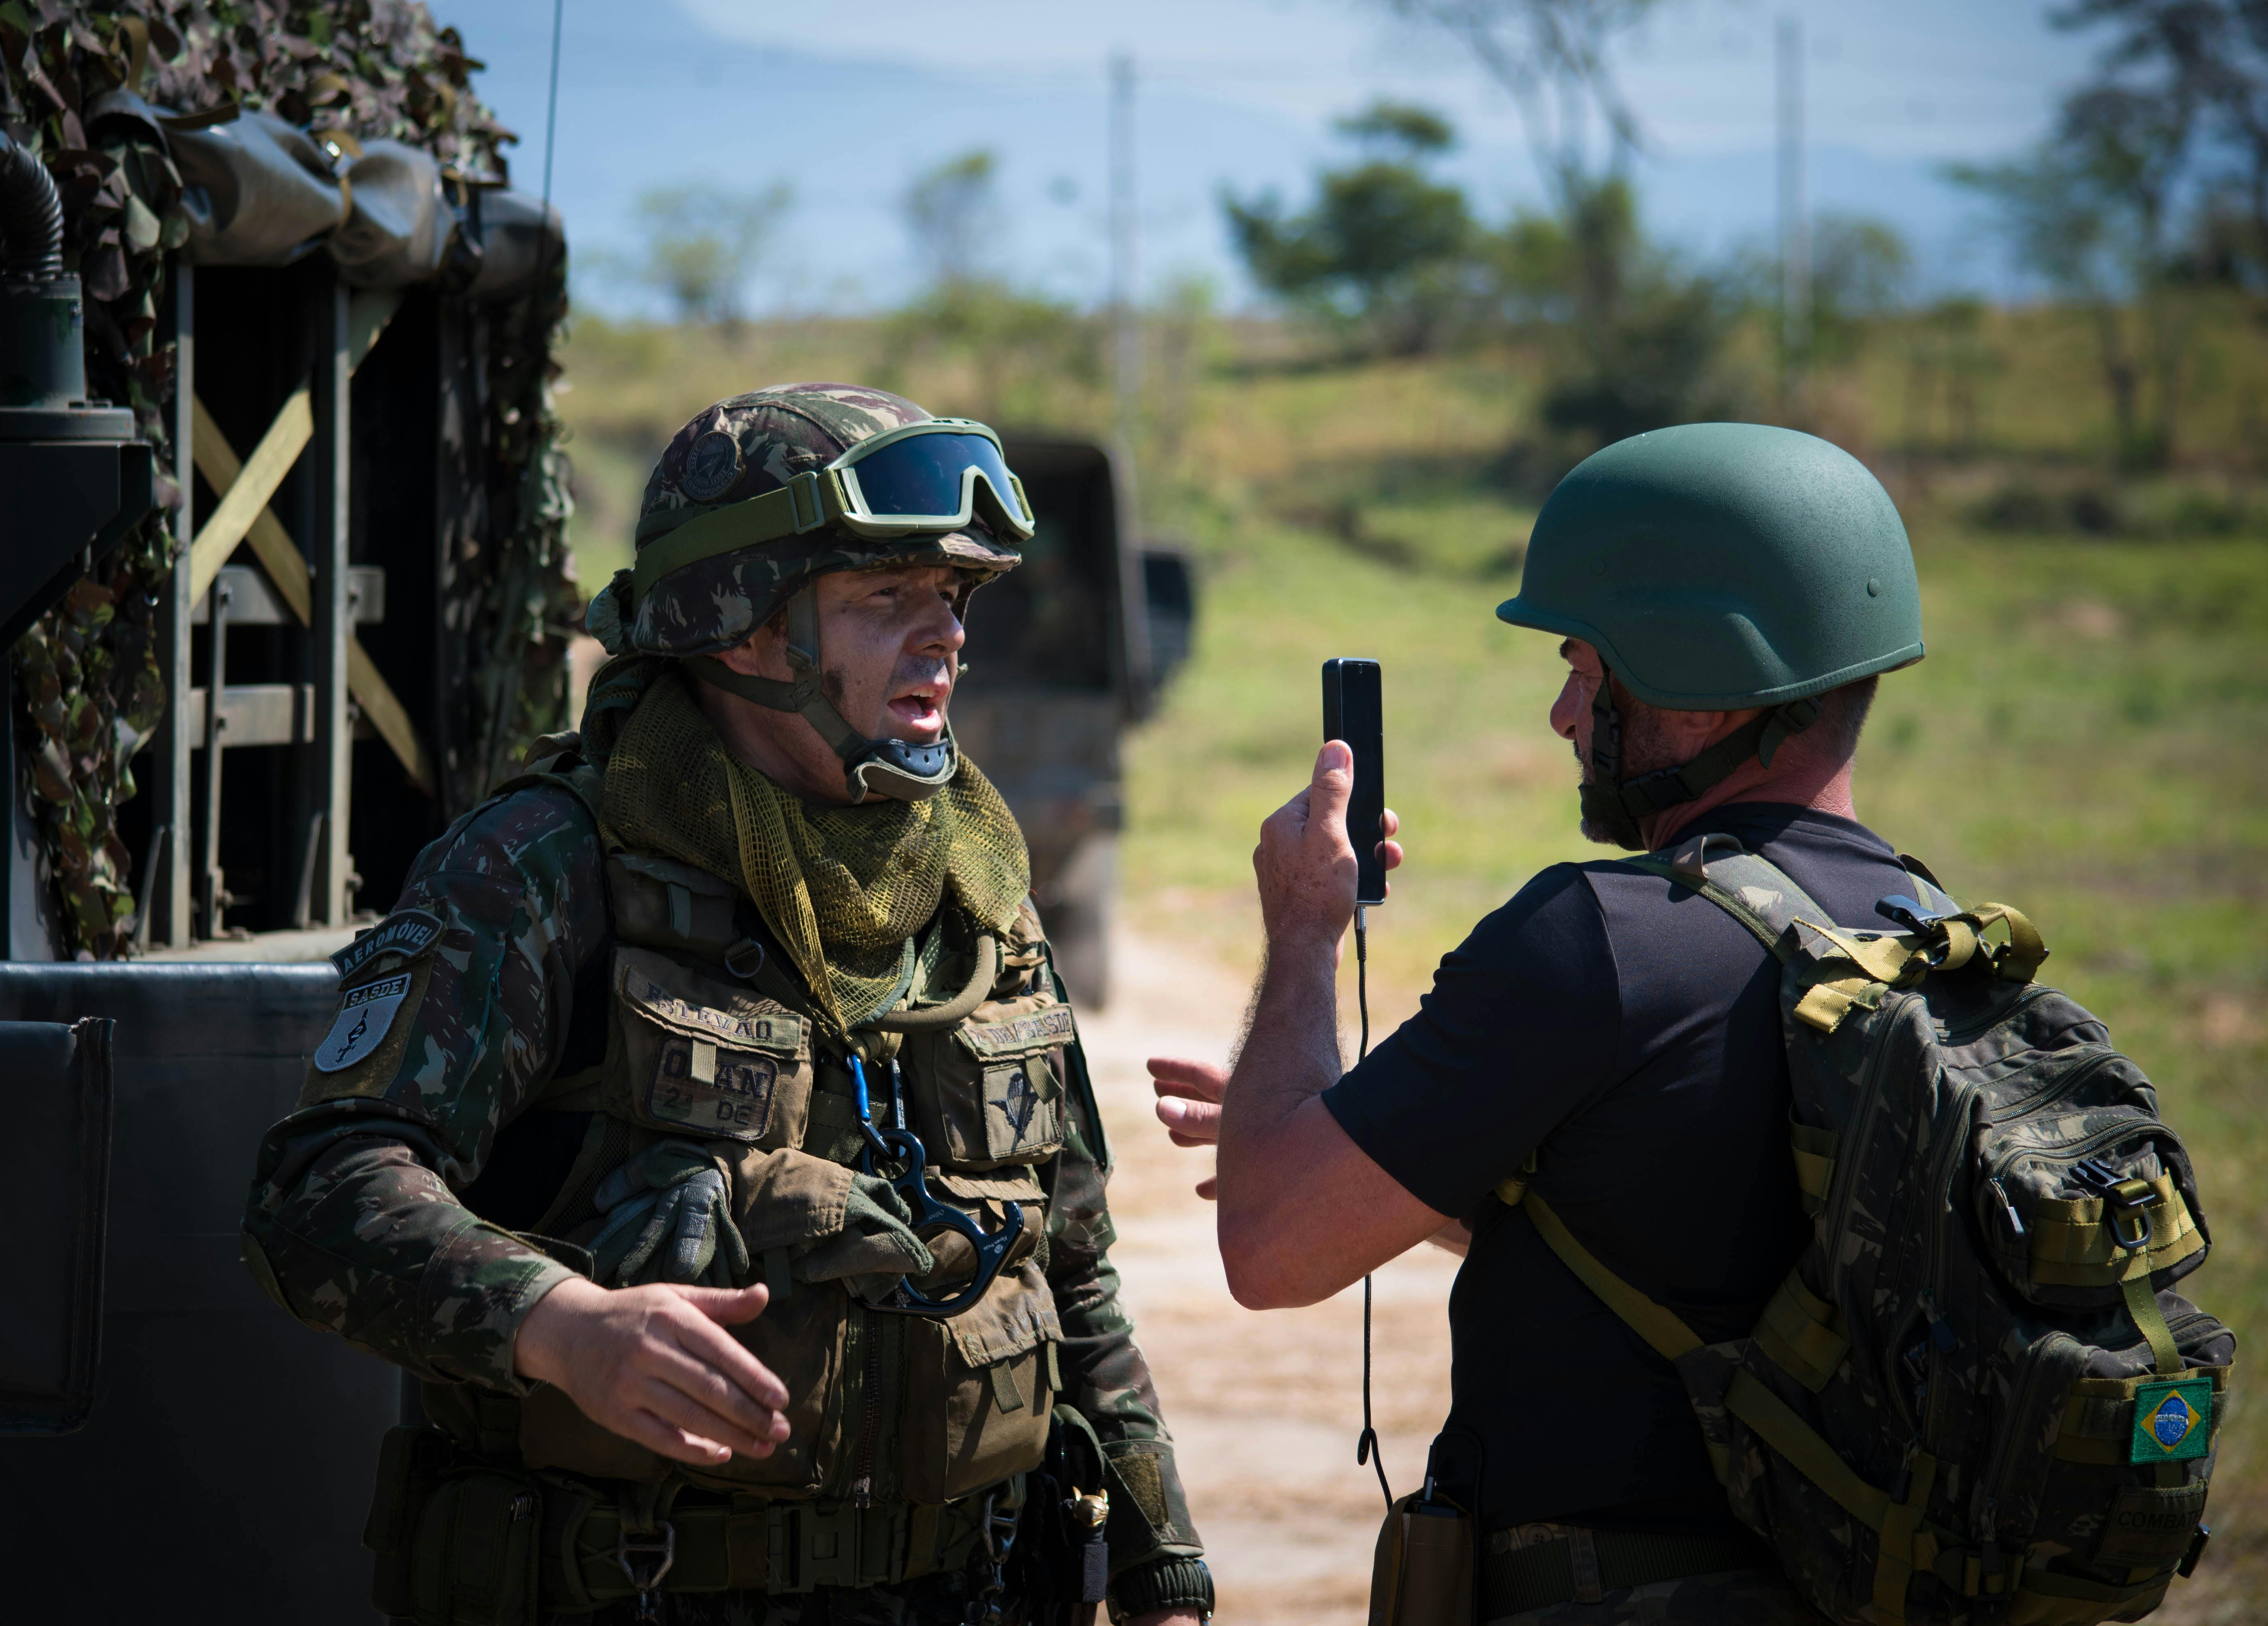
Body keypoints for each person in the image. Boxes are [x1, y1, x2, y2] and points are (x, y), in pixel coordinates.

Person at [244, 383, 1214, 1626]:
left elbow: (1072, 1273)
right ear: (741, 631)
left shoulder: (976, 888)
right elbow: (318, 1190)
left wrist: (1161, 1566)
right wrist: (562, 1326)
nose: (947, 640)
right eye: (885, 600)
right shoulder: (548, 868)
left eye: (954, 599)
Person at [1153, 423, 1931, 1624]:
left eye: (1583, 665)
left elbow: (1270, 1251)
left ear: (1695, 671)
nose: (1566, 716)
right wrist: (1387, 1145)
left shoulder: (1596, 940)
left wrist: (1306, 928)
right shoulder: (1920, 932)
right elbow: (1691, 1240)